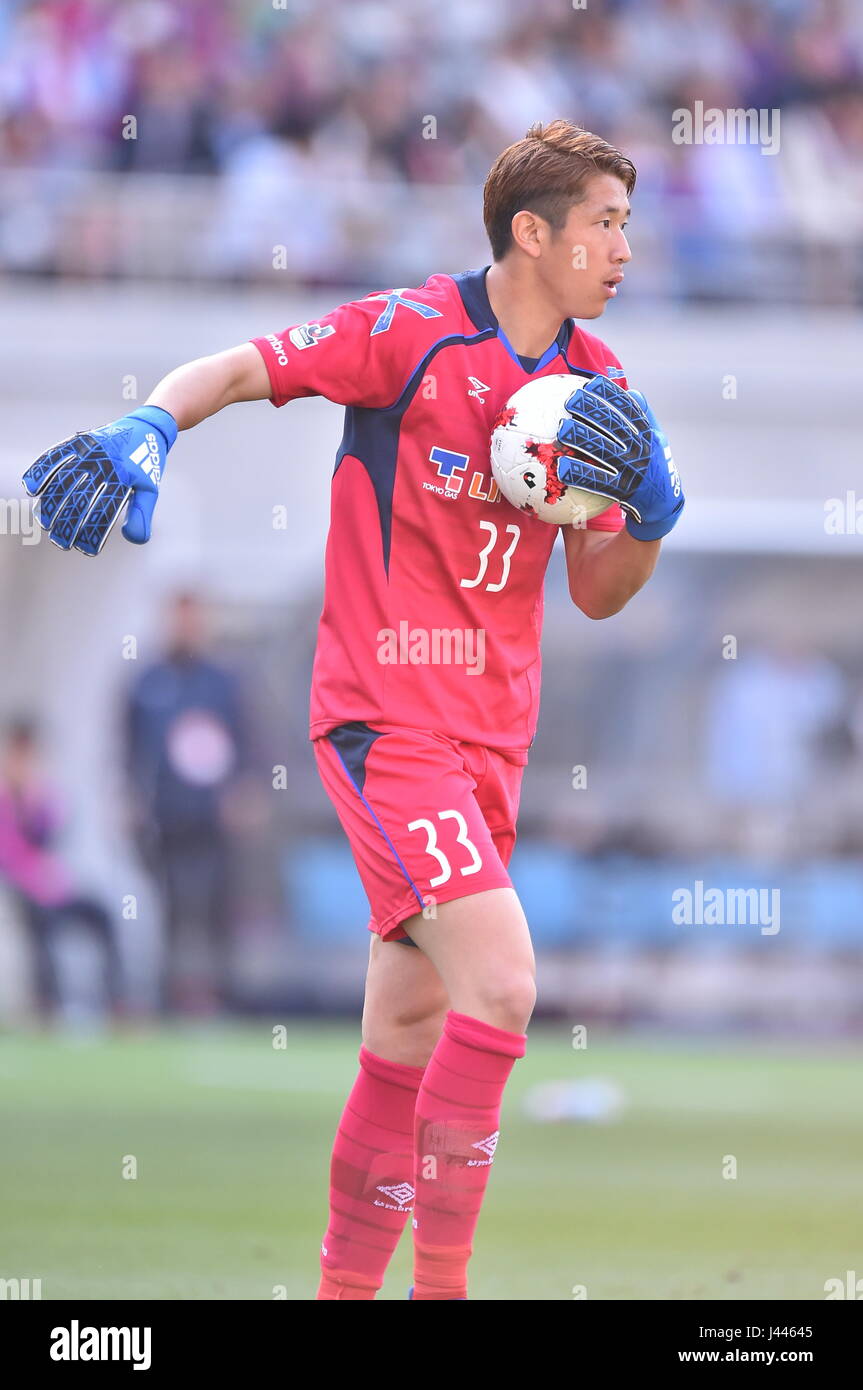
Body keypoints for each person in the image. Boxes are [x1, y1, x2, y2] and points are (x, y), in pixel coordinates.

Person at [22, 120, 684, 1300]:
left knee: (405, 1042)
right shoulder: (409, 332)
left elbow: (597, 593)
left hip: (491, 742)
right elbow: (239, 366)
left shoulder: (598, 391)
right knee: (506, 986)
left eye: (625, 223)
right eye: (605, 223)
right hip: (386, 725)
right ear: (531, 234)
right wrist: (151, 424)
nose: (624, 247)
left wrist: (649, 509)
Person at [123, 591, 246, 1017]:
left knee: (218, 905)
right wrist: (128, 797)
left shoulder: (223, 682)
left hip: (213, 815)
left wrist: (246, 790)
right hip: (165, 816)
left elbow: (247, 739)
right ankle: (168, 995)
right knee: (170, 906)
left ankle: (225, 996)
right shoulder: (147, 682)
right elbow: (128, 746)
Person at [0, 719, 123, 1026]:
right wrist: (35, 876)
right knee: (42, 922)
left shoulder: (41, 796)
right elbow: (10, 854)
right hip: (21, 888)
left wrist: (35, 799)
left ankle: (116, 1003)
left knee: (103, 915)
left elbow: (57, 835)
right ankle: (48, 1004)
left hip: (51, 886)